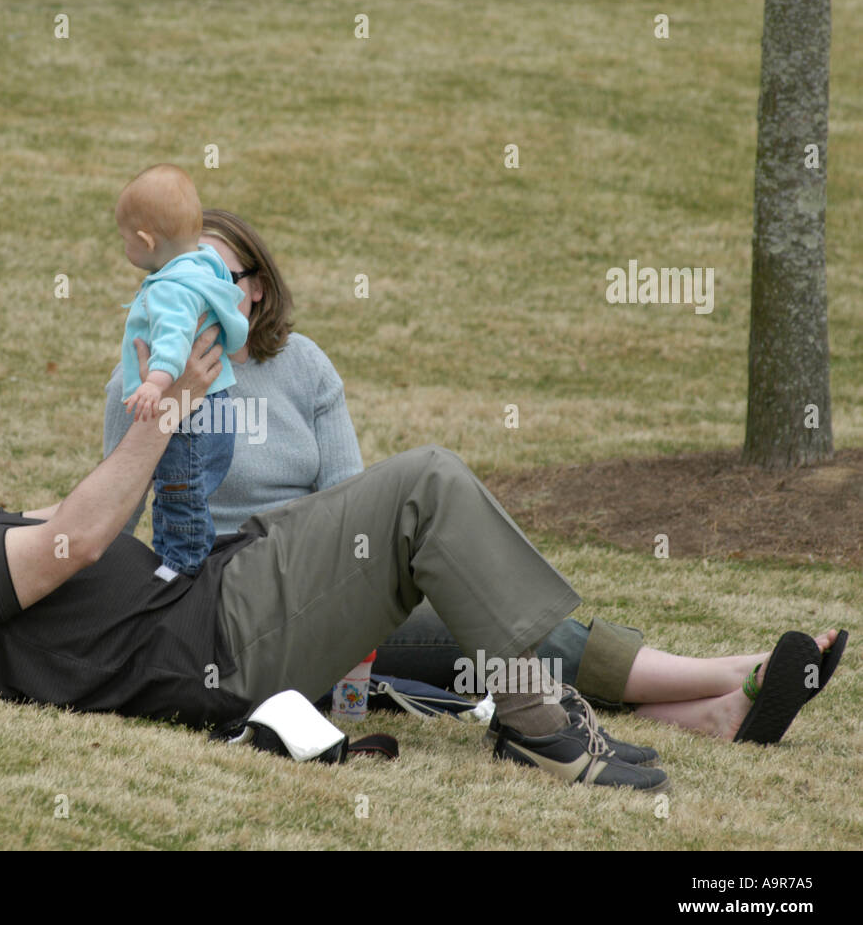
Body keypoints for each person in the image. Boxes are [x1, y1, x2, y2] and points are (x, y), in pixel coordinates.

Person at [0, 329, 715, 792]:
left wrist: (164, 399)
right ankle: (545, 729)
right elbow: (72, 542)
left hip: (220, 596)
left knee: (461, 584)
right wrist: (159, 419)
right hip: (223, 639)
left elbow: (66, 509)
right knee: (426, 485)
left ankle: (712, 692)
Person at [103, 209, 847, 744]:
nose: (197, 293)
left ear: (256, 288)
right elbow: (117, 512)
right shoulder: (139, 383)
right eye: (181, 277)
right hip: (234, 613)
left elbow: (352, 503)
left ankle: (710, 704)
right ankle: (726, 674)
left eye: (217, 277)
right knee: (478, 626)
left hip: (327, 573)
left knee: (490, 616)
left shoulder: (301, 367)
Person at [113, 165, 248, 575]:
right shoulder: (204, 267)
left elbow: (173, 340)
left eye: (124, 241)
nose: (124, 248)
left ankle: (180, 564)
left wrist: (156, 383)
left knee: (177, 489)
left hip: (188, 415)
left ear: (146, 241)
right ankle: (187, 556)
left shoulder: (171, 289)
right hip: (216, 405)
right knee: (192, 488)